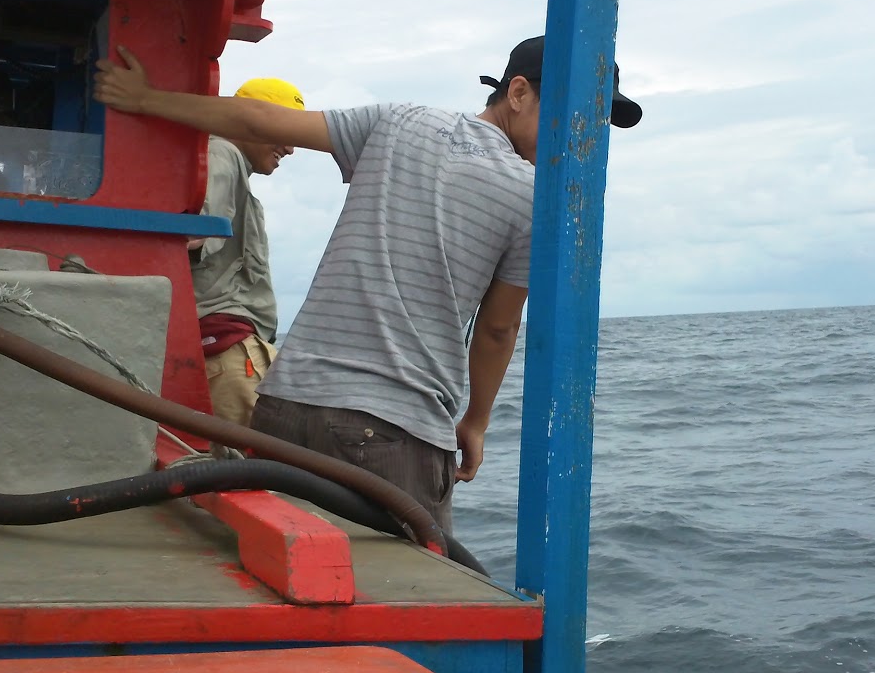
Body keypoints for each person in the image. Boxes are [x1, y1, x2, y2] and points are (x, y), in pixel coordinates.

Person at [94, 36, 641, 532]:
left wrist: (146, 99)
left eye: (593, 127)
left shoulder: (401, 120)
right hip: (391, 433)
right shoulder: (535, 198)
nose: (581, 139)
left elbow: (260, 121)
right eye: (573, 118)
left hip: (285, 408)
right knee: (414, 599)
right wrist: (475, 421)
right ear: (518, 93)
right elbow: (497, 330)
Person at [190, 77, 304, 428]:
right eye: (284, 131)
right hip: (229, 352)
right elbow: (194, 235)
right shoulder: (222, 155)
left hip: (225, 349)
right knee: (269, 470)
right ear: (250, 120)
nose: (290, 148)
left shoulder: (223, 161)